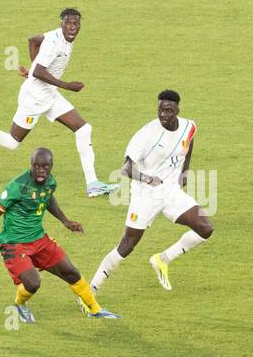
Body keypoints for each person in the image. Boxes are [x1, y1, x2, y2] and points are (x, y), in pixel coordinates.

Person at [0, 8, 120, 198]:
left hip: (49, 93)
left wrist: (32, 70)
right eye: (69, 24)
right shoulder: (55, 44)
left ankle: (93, 184)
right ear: (61, 24)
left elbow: (33, 40)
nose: (73, 28)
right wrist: (66, 85)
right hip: (34, 98)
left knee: (83, 129)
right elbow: (40, 71)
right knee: (12, 142)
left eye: (76, 23)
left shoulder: (57, 36)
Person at [0, 147, 118, 323]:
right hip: (13, 244)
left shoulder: (50, 182)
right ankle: (20, 304)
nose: (41, 170)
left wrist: (65, 221)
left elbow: (47, 197)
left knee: (71, 272)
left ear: (51, 166)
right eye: (37, 166)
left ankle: (95, 309)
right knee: (33, 283)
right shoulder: (18, 186)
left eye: (45, 167)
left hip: (39, 239)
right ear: (31, 166)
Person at [91, 90, 213, 296]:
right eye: (160, 110)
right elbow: (126, 168)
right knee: (127, 245)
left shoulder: (188, 126)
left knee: (205, 228)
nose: (164, 115)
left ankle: (162, 260)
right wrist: (148, 178)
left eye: (169, 110)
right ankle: (91, 289)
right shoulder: (146, 134)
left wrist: (185, 170)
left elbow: (189, 141)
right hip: (145, 194)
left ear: (177, 110)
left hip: (171, 192)